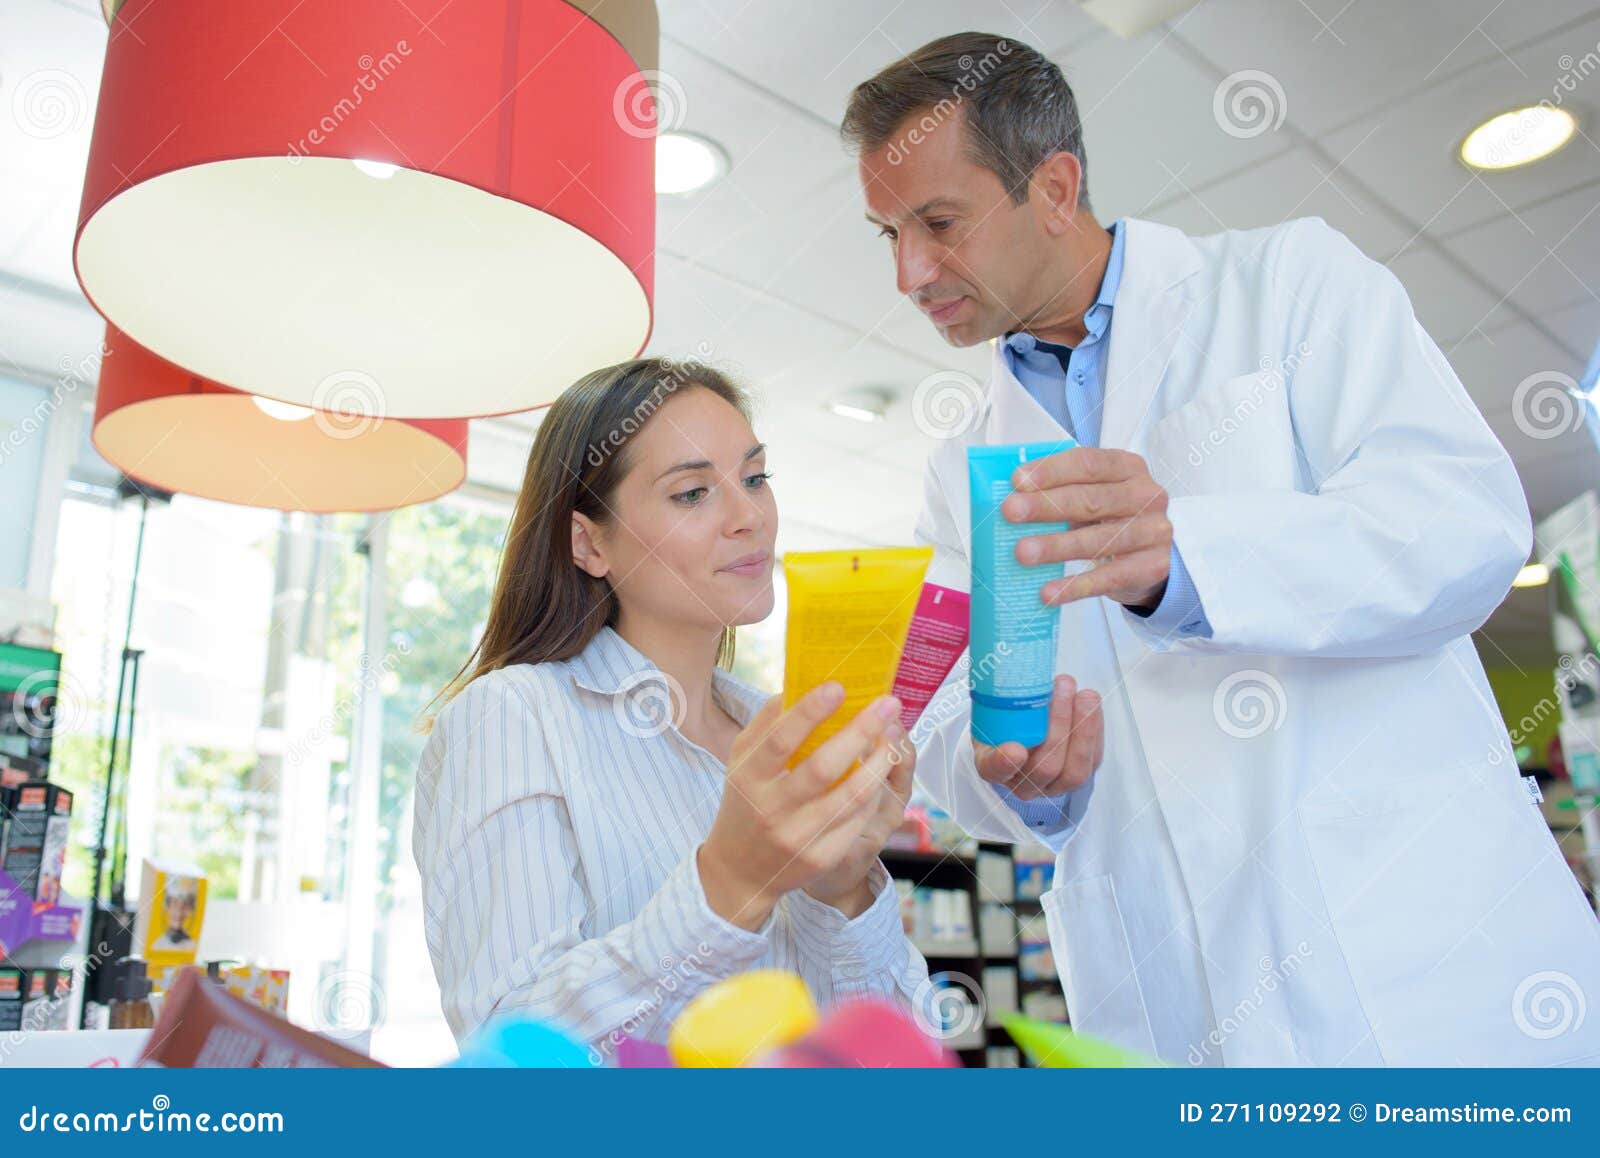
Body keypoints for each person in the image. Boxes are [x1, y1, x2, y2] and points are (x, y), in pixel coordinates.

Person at [843, 32, 1600, 1065]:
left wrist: (1188, 555)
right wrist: (1014, 777)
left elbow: (1462, 522)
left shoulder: (1287, 282)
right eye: (886, 232)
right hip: (1179, 1015)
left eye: (937, 222)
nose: (908, 271)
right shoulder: (959, 469)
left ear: (1055, 188)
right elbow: (940, 724)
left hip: (1417, 973)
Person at [412, 357, 926, 1056]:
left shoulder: (779, 738)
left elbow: (880, 1056)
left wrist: (843, 896)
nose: (749, 518)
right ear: (589, 542)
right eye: (692, 493)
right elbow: (512, 1050)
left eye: (755, 479)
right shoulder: (513, 718)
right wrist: (729, 883)